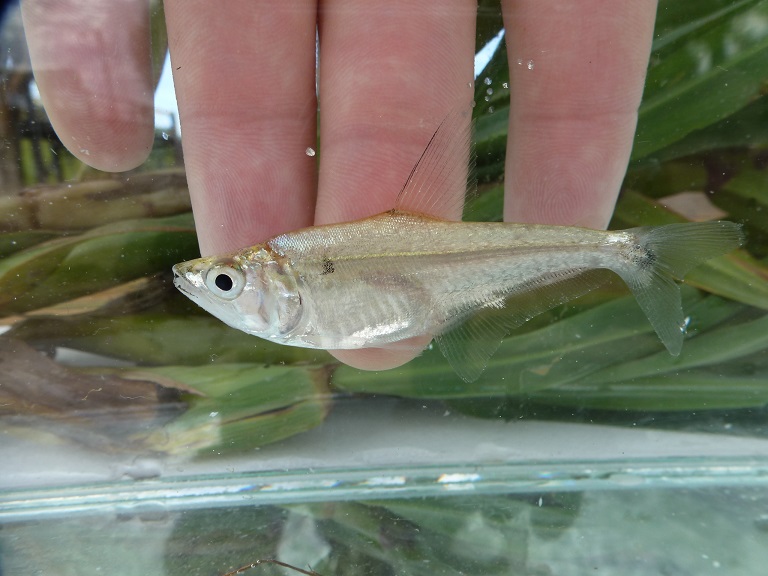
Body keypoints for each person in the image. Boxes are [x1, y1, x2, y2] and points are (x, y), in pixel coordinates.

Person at [21, 0, 658, 371]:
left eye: (225, 281)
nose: (210, 285)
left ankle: (626, 251)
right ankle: (622, 251)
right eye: (222, 279)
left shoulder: (297, 259)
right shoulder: (298, 260)